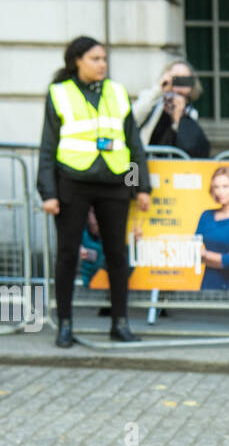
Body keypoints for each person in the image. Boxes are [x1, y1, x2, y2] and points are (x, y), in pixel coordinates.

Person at [37, 35, 151, 345]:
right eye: (95, 59)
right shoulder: (59, 93)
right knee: (67, 253)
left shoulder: (117, 92)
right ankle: (65, 325)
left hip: (114, 183)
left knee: (117, 254)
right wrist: (48, 192)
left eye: (104, 59)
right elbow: (48, 146)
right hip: (72, 183)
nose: (102, 64)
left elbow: (133, 144)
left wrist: (140, 186)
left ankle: (120, 323)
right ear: (77, 61)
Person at [133, 60, 211, 158]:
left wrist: (177, 119)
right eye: (176, 79)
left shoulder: (190, 113)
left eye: (185, 80)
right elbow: (132, 117)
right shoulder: (153, 101)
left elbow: (186, 145)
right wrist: (159, 89)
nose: (179, 86)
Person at [194, 166, 229, 289]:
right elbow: (192, 252)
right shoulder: (206, 216)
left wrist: (205, 255)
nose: (220, 191)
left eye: (225, 186)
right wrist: (224, 258)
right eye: (216, 187)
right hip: (208, 286)